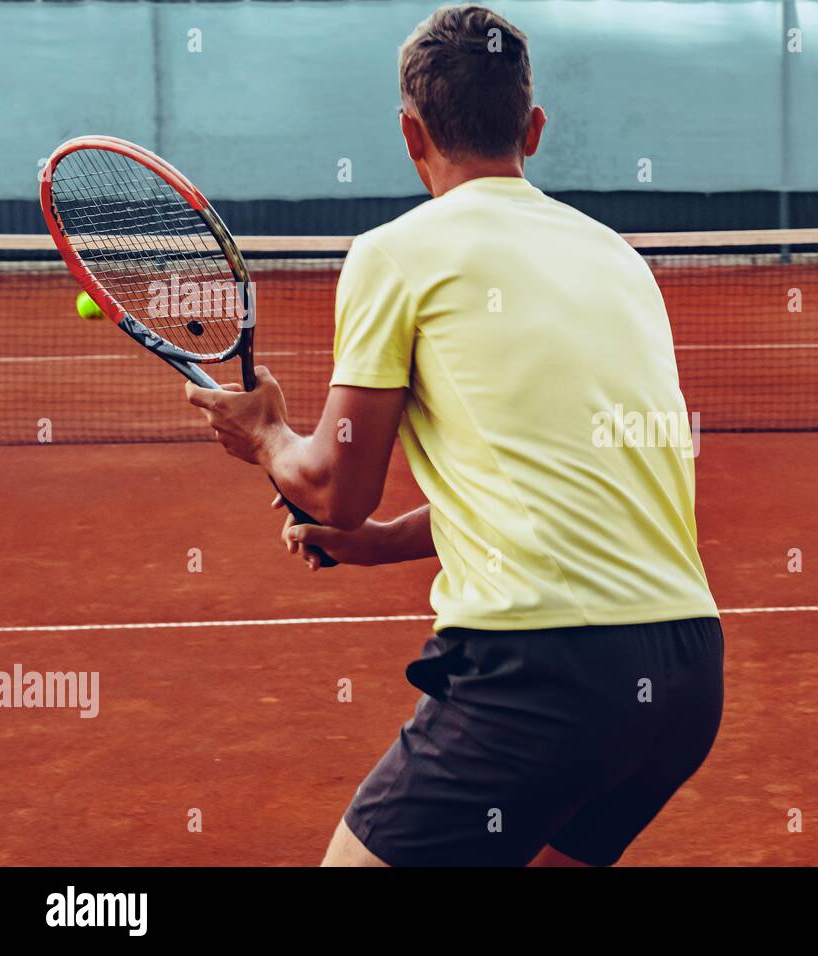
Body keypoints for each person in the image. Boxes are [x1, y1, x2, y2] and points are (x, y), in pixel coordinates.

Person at [186, 3, 723, 867]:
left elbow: (335, 487)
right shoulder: (622, 261)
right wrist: (374, 547)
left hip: (541, 674)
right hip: (685, 678)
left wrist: (267, 436)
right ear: (534, 129)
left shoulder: (394, 254)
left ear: (410, 134)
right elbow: (549, 483)